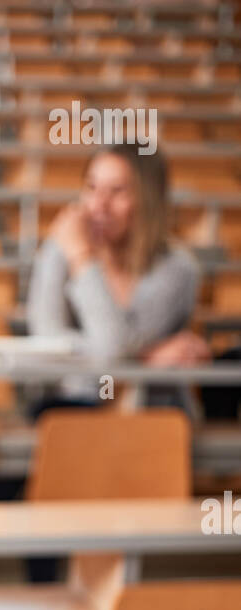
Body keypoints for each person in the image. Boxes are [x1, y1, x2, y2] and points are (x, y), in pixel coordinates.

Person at [26, 143, 209, 413]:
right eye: (91, 188)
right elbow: (46, 344)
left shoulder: (178, 268)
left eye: (117, 191)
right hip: (76, 412)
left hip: (155, 418)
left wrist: (82, 259)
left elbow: (112, 350)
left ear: (148, 200)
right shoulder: (61, 250)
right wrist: (144, 357)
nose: (99, 205)